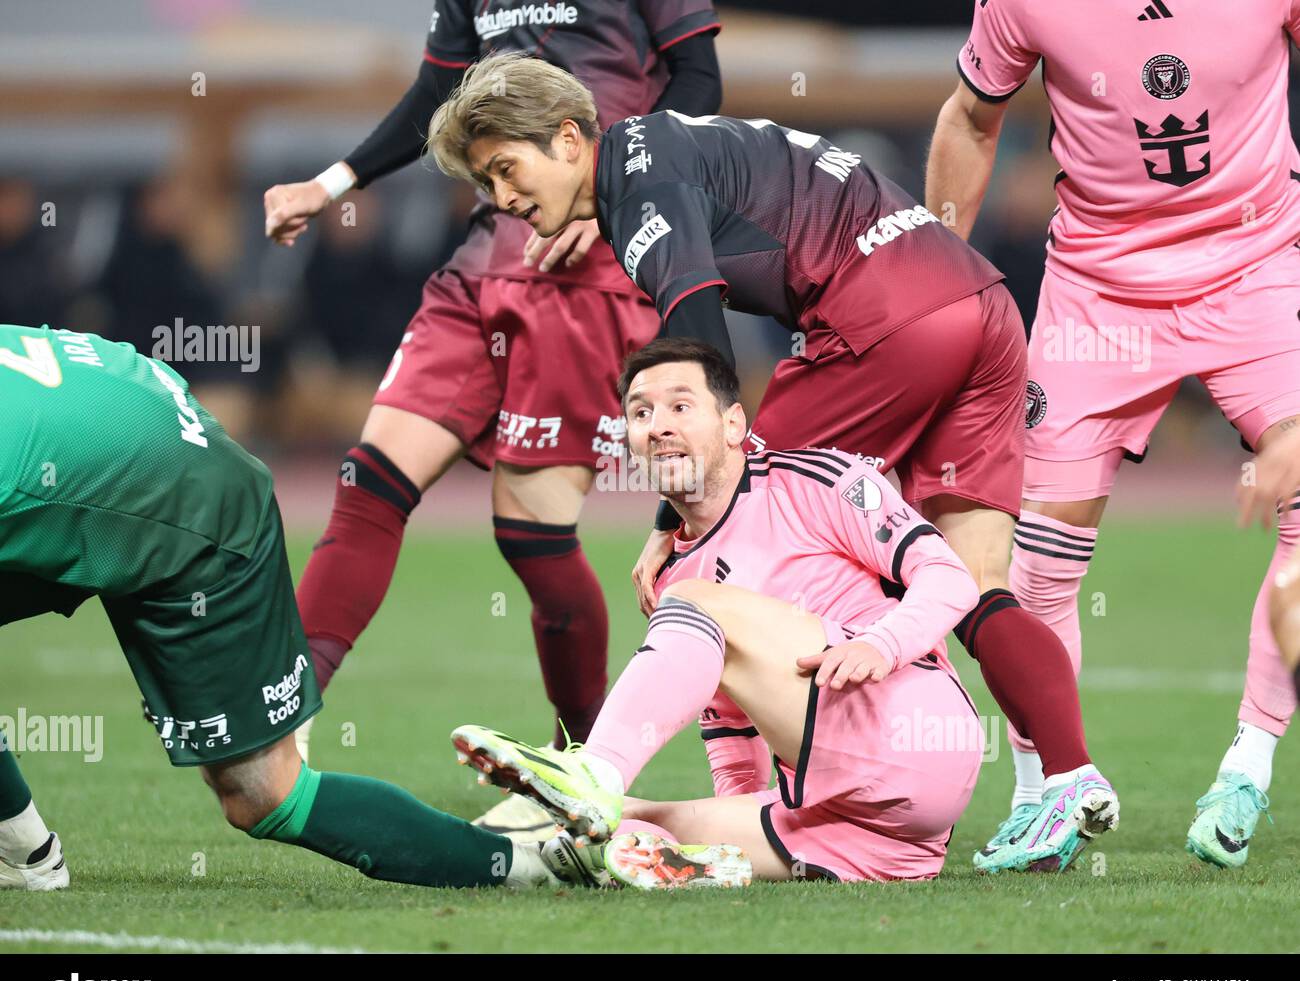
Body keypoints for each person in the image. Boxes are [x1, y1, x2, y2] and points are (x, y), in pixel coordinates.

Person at [428, 54, 1118, 870]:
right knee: (971, 587)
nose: (502, 198)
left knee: (727, 540)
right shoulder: (649, 152)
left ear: (571, 139)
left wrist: (669, 521)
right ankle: (1073, 775)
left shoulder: (638, 192)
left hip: (880, 318)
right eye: (485, 183)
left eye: (507, 168)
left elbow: (696, 345)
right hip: (980, 304)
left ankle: (626, 776)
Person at [262, 1, 721, 840]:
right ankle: (282, 708)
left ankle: (581, 768)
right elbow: (440, 90)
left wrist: (612, 196)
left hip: (581, 262)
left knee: (532, 536)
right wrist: (329, 185)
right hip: (486, 255)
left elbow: (699, 78)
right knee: (370, 479)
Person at [450, 338, 1115, 890]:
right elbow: (733, 733)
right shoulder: (679, 579)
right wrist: (731, 807)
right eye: (641, 412)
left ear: (735, 425)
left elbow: (949, 578)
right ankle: (647, 853)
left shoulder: (813, 481)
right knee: (621, 819)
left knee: (686, 613)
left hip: (912, 725)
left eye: (681, 405)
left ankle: (591, 769)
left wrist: (882, 643)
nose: (659, 425)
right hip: (867, 828)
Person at [0, 324, 576, 893]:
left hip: (184, 500)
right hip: (119, 413)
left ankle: (534, 865)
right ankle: (24, 854)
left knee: (262, 793)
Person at [927, 0, 1300, 867]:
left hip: (1258, 271)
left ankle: (1248, 764)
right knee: (1037, 570)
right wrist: (931, 286)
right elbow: (970, 117)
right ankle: (1042, 795)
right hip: (1100, 290)